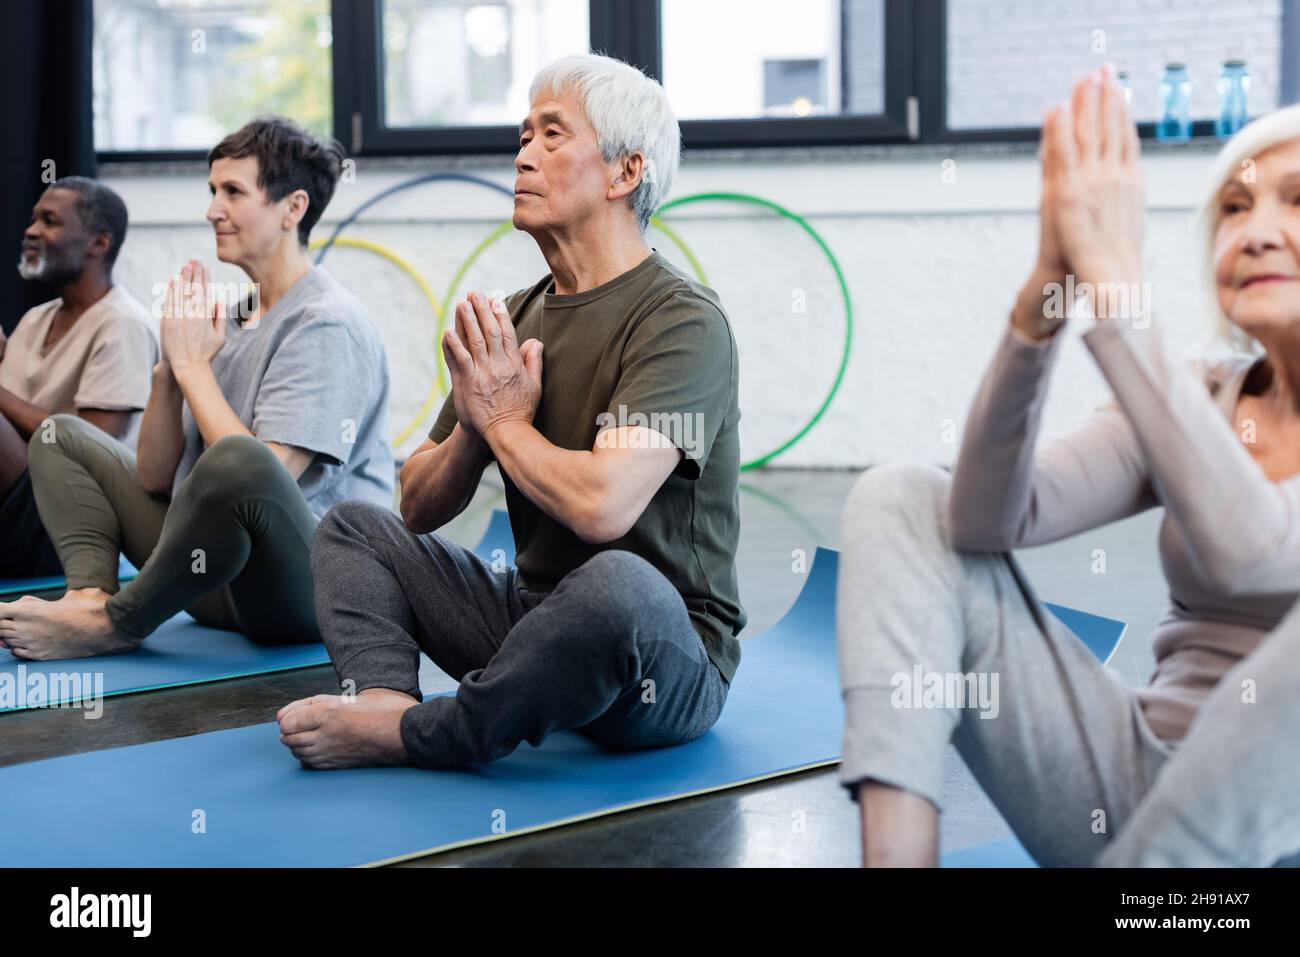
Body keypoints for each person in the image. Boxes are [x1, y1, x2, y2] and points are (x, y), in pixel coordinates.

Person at [836, 66, 1300, 866]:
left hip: (1262, 844)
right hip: (1129, 787)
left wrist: (1122, 292)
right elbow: (986, 518)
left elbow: (1253, 549)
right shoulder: (1198, 394)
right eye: (1234, 207)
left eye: (1297, 201)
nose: (1254, 231)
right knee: (903, 498)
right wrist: (1046, 292)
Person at [277, 53, 745, 772]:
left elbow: (602, 505)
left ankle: (433, 732)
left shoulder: (682, 321)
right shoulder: (516, 316)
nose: (523, 153)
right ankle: (382, 699)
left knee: (617, 585)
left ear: (625, 174)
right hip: (531, 617)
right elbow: (416, 508)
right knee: (352, 525)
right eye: (523, 135)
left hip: (659, 651)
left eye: (552, 135)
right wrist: (472, 426)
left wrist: (502, 423)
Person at [0, 116, 393, 660]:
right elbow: (160, 476)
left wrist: (194, 370)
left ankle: (117, 623)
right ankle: (89, 596)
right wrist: (169, 372)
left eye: (233, 191)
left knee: (240, 460)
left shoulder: (327, 322)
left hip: (309, 593)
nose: (212, 209)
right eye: (212, 191)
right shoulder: (228, 319)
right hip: (210, 584)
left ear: (293, 208)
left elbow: (262, 478)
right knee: (59, 436)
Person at [0, 177, 156, 579]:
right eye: (34, 219)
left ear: (99, 243)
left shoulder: (124, 325)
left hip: (68, 521)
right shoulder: (36, 319)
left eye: (49, 221)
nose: (31, 230)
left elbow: (89, 449)